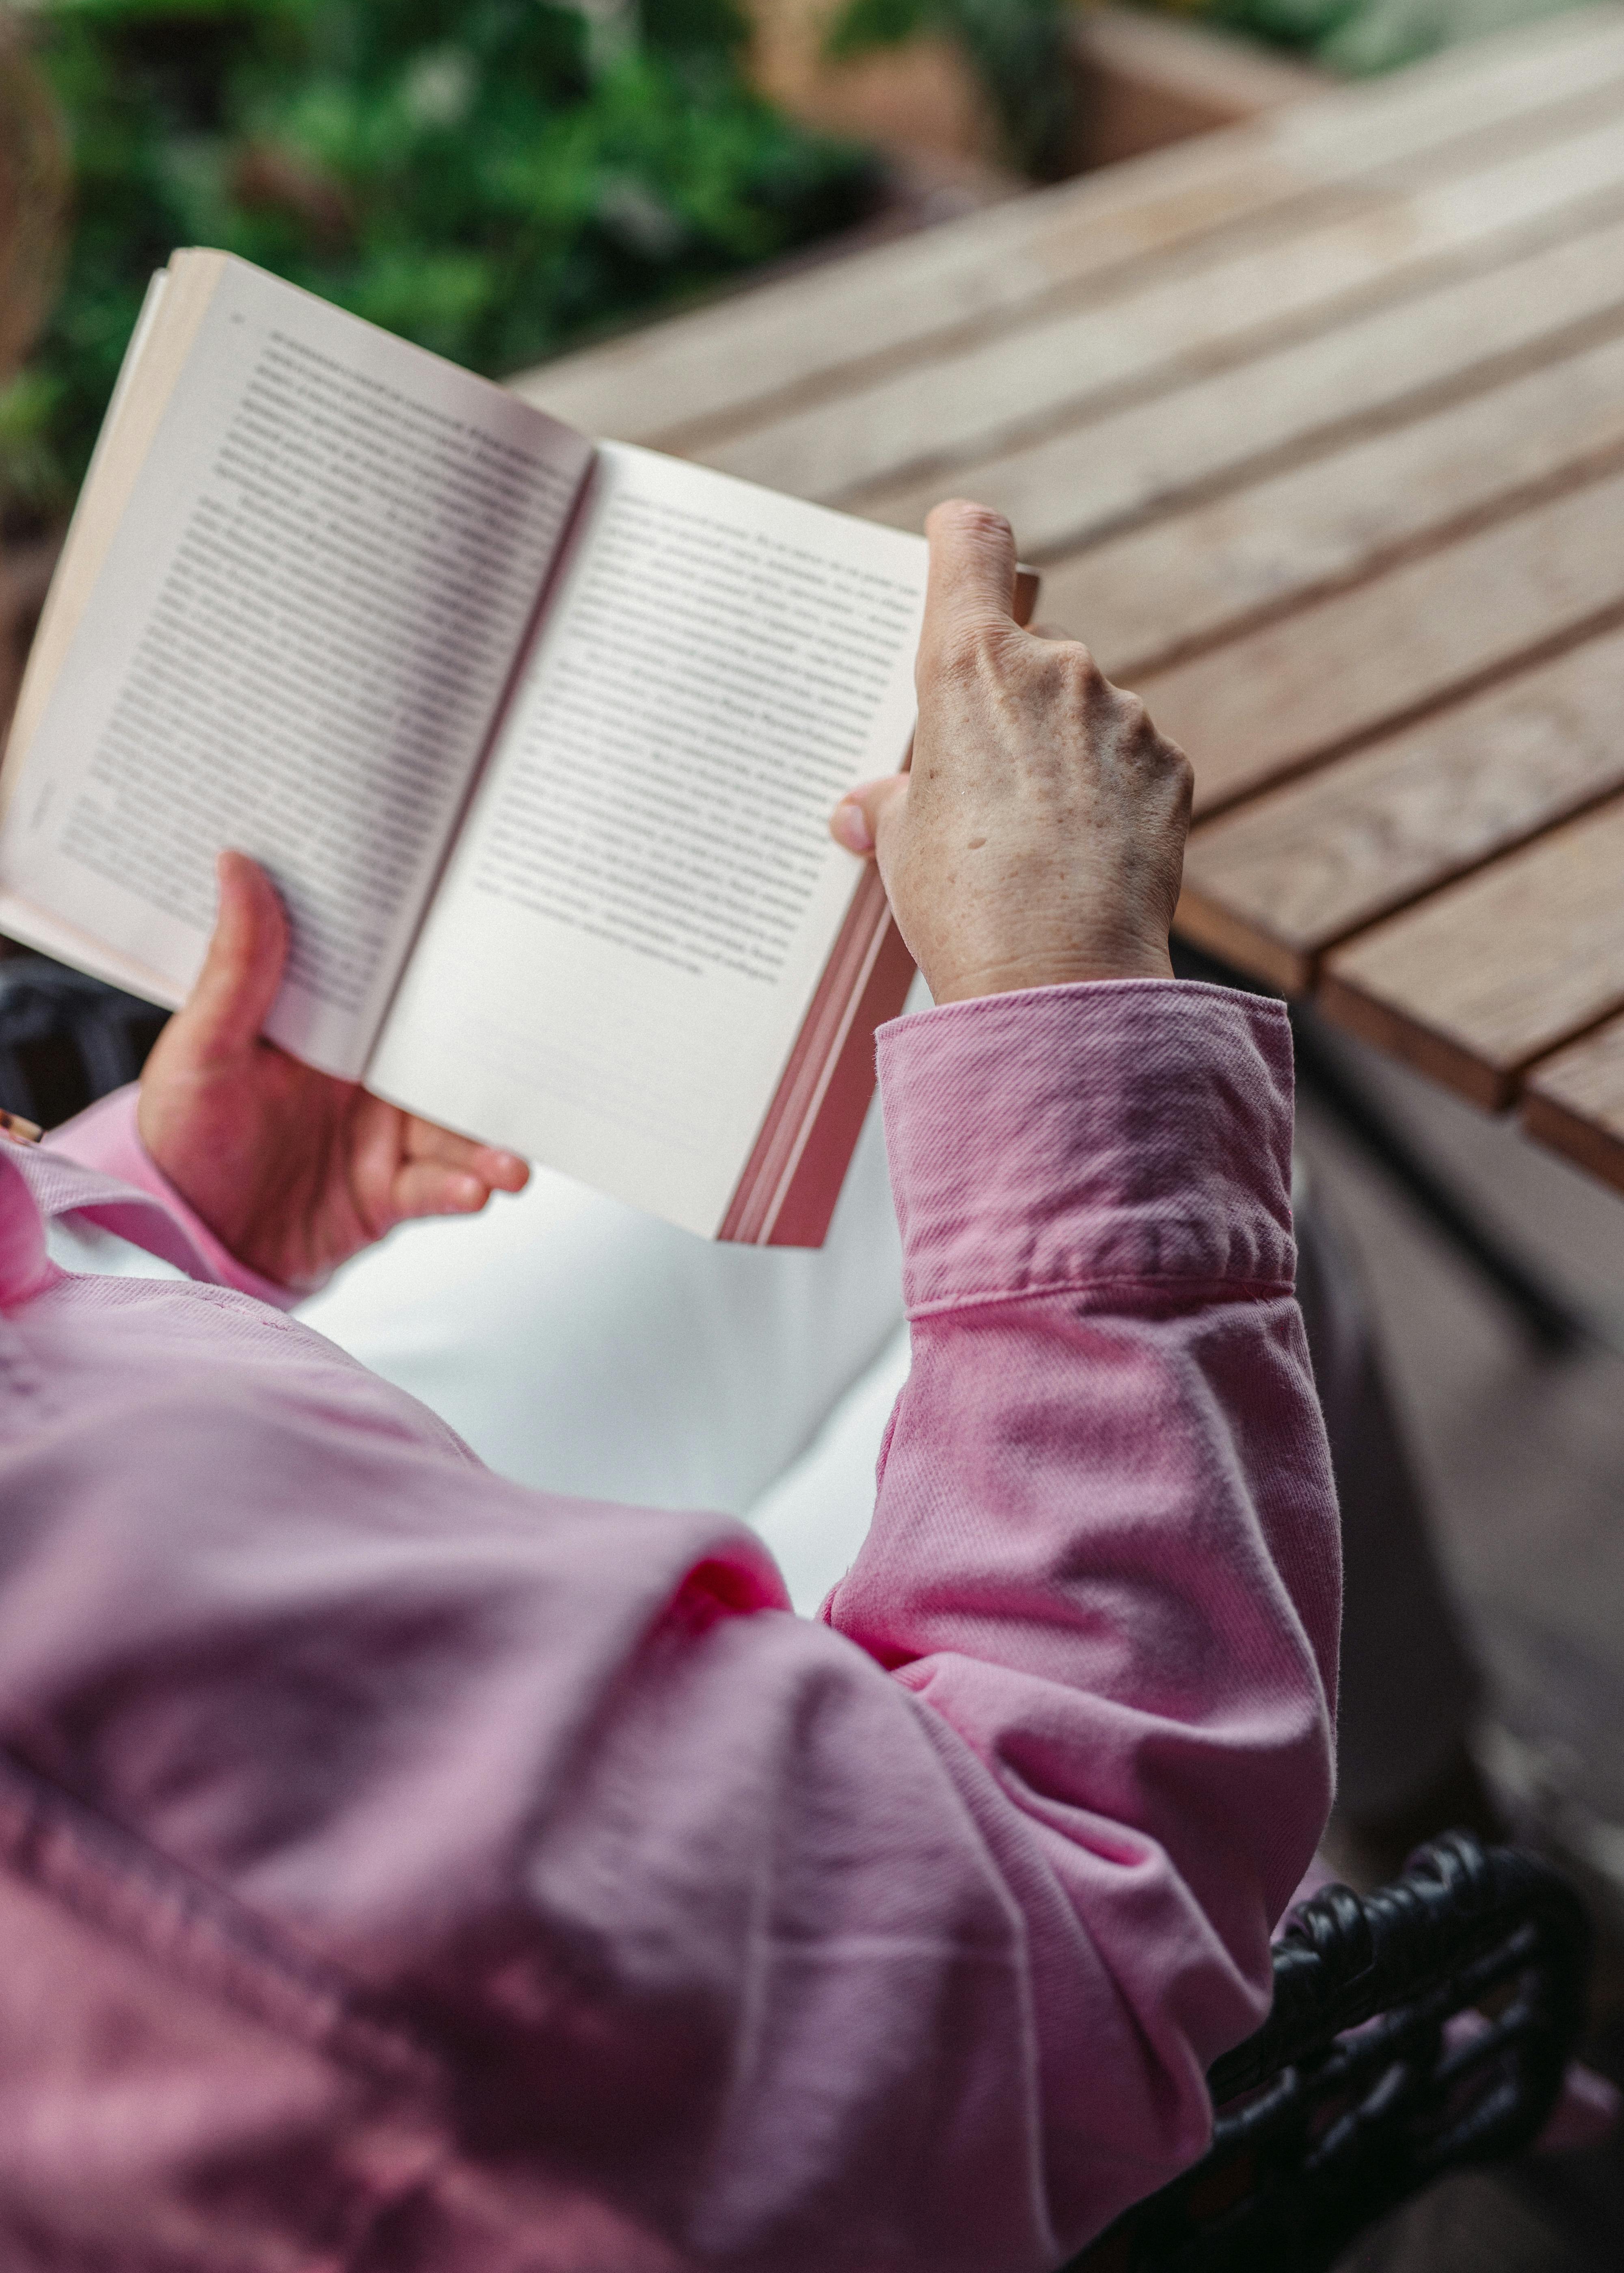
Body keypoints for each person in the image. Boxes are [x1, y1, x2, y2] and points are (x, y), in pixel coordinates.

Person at [0, 501, 1338, 2268]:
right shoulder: (135, 1867)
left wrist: (143, 1222)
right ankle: (1402, 1880)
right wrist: (1063, 994)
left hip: (157, 1432)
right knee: (1208, 1191)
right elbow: (1052, 1966)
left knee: (941, 1145)